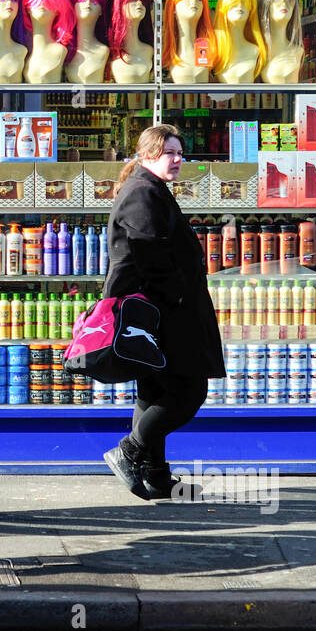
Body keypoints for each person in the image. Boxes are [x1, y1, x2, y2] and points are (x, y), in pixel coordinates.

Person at [101, 124, 224, 502]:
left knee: (155, 389)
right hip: (162, 311)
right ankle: (131, 449)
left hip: (159, 310)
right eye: (170, 152)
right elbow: (150, 257)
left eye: (180, 153)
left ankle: (155, 475)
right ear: (149, 154)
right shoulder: (142, 193)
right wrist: (179, 299)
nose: (177, 160)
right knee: (188, 391)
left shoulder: (148, 189)